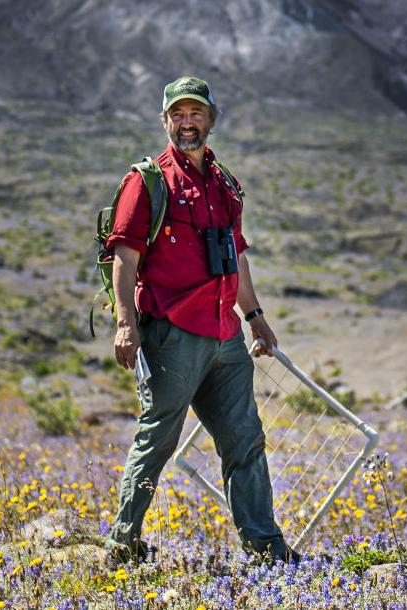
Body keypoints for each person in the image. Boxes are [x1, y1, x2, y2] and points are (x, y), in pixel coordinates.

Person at [103, 76, 298, 564]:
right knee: (158, 440)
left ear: (210, 120)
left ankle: (267, 550)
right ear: (166, 121)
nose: (187, 123)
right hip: (173, 333)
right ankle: (122, 544)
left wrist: (254, 317)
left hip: (225, 334)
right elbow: (123, 258)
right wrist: (125, 325)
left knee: (245, 442)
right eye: (177, 115)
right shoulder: (147, 181)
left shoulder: (223, 182)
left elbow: (236, 255)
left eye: (195, 114)